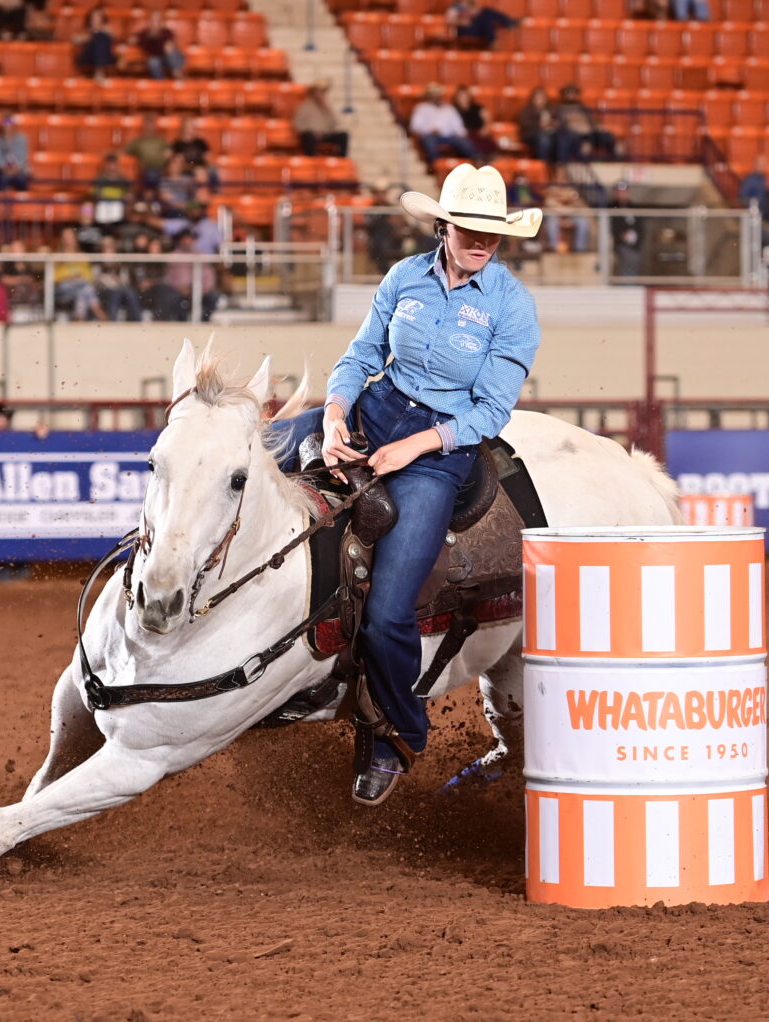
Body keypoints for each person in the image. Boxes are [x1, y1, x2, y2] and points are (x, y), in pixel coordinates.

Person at [268, 163, 543, 806]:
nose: (482, 240)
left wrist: (413, 448)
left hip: (441, 448)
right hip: (374, 409)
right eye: (471, 227)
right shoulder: (402, 278)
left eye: (492, 232)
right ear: (444, 224)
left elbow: (490, 412)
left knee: (391, 609)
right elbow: (362, 356)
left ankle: (396, 736)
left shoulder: (511, 304)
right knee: (251, 455)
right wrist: (336, 414)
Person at [409, 83, 476, 163]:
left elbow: (458, 126)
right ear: (429, 96)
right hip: (430, 136)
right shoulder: (421, 108)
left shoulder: (449, 108)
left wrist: (462, 135)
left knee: (463, 142)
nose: (436, 97)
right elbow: (415, 126)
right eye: (433, 95)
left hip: (449, 136)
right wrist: (429, 130)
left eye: (437, 95)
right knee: (430, 142)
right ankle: (437, 166)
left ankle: (477, 160)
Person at [552, 84, 615, 164]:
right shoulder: (559, 108)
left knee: (608, 137)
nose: (571, 95)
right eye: (568, 92)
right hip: (572, 135)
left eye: (573, 92)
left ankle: (612, 161)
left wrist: (596, 127)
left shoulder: (582, 107)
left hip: (589, 133)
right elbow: (557, 124)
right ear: (564, 94)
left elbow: (592, 121)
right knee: (570, 140)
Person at [292, 80, 347, 157]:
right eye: (319, 91)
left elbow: (335, 123)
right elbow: (297, 124)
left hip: (324, 135)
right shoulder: (305, 106)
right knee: (308, 136)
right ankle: (311, 160)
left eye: (323, 91)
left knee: (343, 135)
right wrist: (312, 131)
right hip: (312, 135)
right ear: (314, 92)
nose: (321, 94)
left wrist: (328, 109)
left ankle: (342, 161)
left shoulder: (326, 107)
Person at [134, 10, 185, 81]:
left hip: (168, 58)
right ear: (149, 22)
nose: (155, 24)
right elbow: (133, 40)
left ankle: (177, 74)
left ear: (161, 22)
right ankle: (161, 83)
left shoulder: (167, 32)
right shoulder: (144, 34)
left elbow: (170, 47)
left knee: (173, 52)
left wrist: (169, 48)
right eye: (153, 21)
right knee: (153, 61)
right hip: (154, 59)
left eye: (157, 21)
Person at [446, 0, 517, 49]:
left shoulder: (471, 5)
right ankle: (507, 23)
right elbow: (450, 20)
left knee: (487, 15)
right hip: (465, 30)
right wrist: (463, 21)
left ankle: (493, 41)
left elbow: (477, 13)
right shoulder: (456, 7)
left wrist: (474, 13)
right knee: (487, 14)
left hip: (476, 28)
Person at [124, 113, 172, 186]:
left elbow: (169, 154)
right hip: (143, 171)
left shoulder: (161, 141)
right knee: (149, 175)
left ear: (154, 125)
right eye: (147, 124)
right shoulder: (138, 141)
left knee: (155, 174)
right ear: (144, 125)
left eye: (151, 124)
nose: (149, 126)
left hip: (160, 170)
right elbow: (126, 152)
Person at [451, 85, 496, 157]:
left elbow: (487, 117)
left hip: (478, 134)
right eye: (461, 96)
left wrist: (486, 127)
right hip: (464, 136)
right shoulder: (453, 110)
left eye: (465, 96)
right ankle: (478, 157)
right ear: (457, 98)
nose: (464, 98)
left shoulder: (477, 108)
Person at [0, 116, 31, 191]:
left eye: (10, 126)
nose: (8, 128)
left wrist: (15, 169)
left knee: (23, 178)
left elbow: (23, 157)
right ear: (2, 127)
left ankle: (22, 200)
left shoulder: (22, 139)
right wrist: (5, 169)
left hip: (19, 170)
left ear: (14, 126)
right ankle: (1, 200)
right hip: (2, 170)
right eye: (5, 126)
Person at [515, 86, 556, 162]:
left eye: (542, 98)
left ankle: (559, 166)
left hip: (550, 134)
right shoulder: (526, 111)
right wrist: (540, 126)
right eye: (538, 98)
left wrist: (554, 124)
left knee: (561, 138)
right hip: (532, 135)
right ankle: (542, 165)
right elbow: (525, 125)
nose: (540, 101)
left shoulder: (551, 109)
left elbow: (557, 122)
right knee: (544, 139)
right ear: (533, 99)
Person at [77, 9, 116, 80]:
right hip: (89, 54)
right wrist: (90, 36)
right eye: (94, 17)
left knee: (101, 37)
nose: (95, 19)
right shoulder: (85, 29)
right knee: (98, 39)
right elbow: (76, 39)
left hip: (106, 54)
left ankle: (98, 70)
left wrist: (100, 31)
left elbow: (114, 37)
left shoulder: (107, 29)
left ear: (102, 18)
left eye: (98, 17)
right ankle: (99, 71)